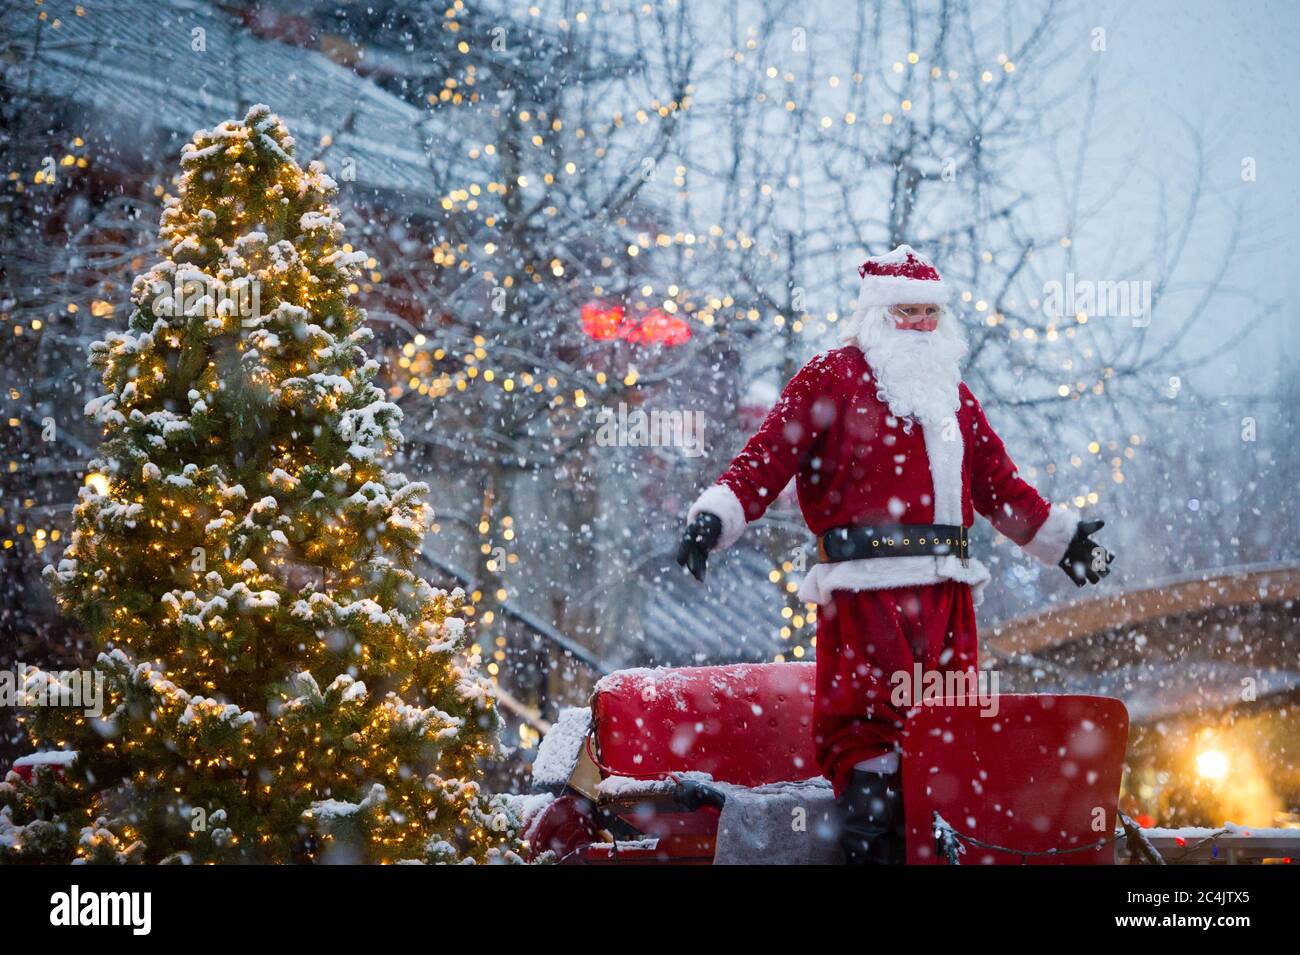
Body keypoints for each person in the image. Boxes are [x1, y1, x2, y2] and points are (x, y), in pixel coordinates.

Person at [676, 245, 1114, 864]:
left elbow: (997, 484)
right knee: (866, 739)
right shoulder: (830, 377)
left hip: (948, 596)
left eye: (930, 314)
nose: (920, 325)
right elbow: (769, 455)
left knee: (949, 731)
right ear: (877, 315)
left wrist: (1062, 540)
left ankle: (939, 839)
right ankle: (869, 843)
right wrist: (714, 516)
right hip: (864, 594)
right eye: (906, 312)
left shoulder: (952, 398)